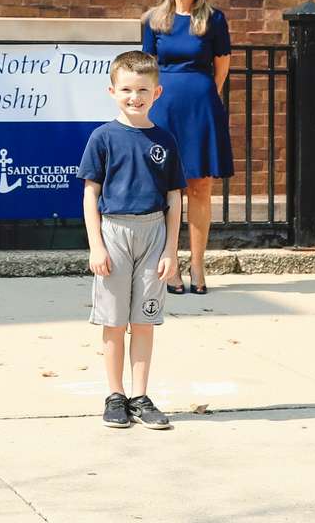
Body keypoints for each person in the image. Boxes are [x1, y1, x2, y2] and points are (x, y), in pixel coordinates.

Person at [78, 51, 183, 430]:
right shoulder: (102, 137)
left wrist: (171, 249)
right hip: (113, 232)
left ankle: (140, 395)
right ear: (112, 91)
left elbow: (174, 197)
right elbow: (91, 192)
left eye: (142, 89)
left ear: (157, 91)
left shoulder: (164, 140)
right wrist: (96, 244)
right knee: (113, 320)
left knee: (143, 320)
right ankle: (115, 395)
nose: (134, 96)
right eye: (126, 89)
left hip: (153, 233)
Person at [139, 0, 229, 294]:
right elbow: (147, 67)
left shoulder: (214, 19)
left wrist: (206, 94)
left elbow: (222, 66)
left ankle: (198, 265)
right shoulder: (153, 20)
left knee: (200, 188)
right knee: (168, 189)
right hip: (164, 110)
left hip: (201, 108)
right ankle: (170, 264)